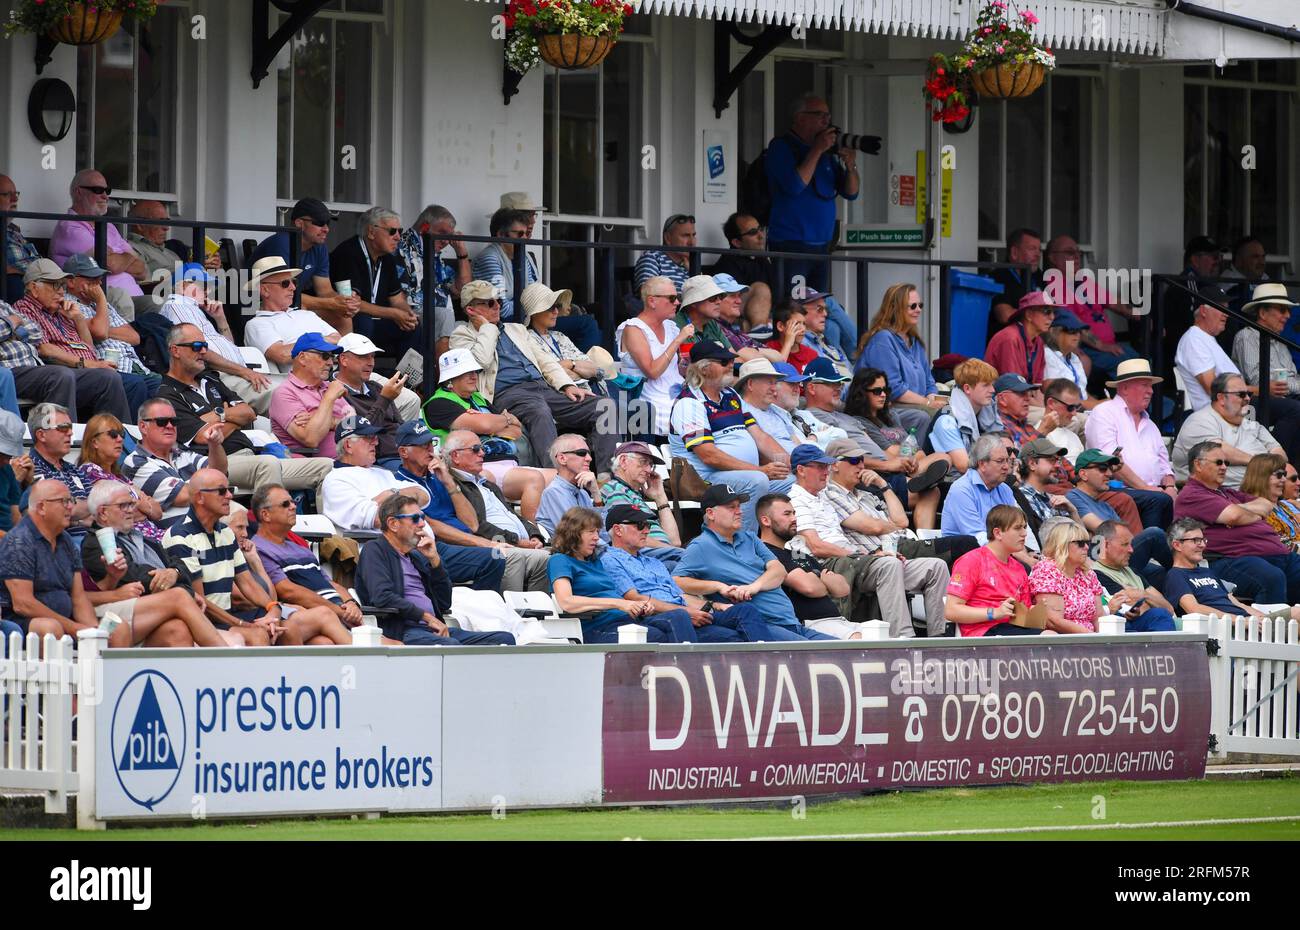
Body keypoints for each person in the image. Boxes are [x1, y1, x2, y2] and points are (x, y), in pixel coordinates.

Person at [787, 444, 949, 636]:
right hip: (833, 563)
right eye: (820, 467)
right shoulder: (796, 500)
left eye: (827, 466)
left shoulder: (823, 495)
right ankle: (903, 638)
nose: (826, 471)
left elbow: (901, 522)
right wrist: (866, 554)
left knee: (935, 567)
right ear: (801, 470)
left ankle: (939, 637)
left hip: (855, 558)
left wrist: (871, 554)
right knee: (889, 564)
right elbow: (815, 546)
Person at [157, 323, 334, 494]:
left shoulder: (210, 380)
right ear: (175, 350)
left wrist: (220, 415)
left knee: (327, 466)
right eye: (196, 346)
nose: (203, 351)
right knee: (267, 465)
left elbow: (249, 413)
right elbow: (206, 437)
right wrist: (234, 419)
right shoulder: (167, 394)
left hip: (251, 455)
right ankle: (272, 521)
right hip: (214, 463)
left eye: (205, 345)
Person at [398, 421, 551, 593]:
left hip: (468, 544)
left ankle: (535, 613)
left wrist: (449, 483)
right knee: (501, 557)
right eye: (422, 445)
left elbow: (472, 524)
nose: (430, 450)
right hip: (438, 547)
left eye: (430, 444)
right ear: (404, 452)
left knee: (549, 558)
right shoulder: (401, 483)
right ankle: (507, 612)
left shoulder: (441, 478)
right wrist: (489, 543)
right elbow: (431, 526)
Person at [672, 484, 835, 640]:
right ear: (711, 513)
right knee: (815, 655)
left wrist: (752, 588)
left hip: (792, 622)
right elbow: (676, 582)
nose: (739, 511)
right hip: (763, 625)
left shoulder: (749, 537)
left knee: (845, 650)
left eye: (739, 506)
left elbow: (778, 571)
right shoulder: (701, 546)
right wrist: (717, 586)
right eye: (731, 507)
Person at [81, 480, 229, 647]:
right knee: (179, 596)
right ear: (103, 513)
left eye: (132, 504)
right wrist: (176, 581)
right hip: (118, 613)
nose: (132, 510)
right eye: (124, 506)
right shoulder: (97, 543)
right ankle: (227, 658)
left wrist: (174, 573)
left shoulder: (143, 538)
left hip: (151, 609)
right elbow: (138, 578)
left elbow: (180, 566)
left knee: (177, 630)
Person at [491, 282, 619, 473]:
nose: (556, 311)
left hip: (550, 389)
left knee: (607, 406)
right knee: (539, 410)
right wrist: (570, 369)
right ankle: (557, 480)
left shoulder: (555, 335)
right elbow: (549, 368)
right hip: (521, 393)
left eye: (557, 306)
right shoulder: (524, 334)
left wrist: (570, 373)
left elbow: (596, 369)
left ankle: (607, 479)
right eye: (550, 307)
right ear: (535, 312)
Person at [355, 493, 515, 646]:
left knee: (504, 639)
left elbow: (444, 603)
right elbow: (382, 596)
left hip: (430, 629)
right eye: (415, 519)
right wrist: (426, 617)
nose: (422, 524)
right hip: (402, 630)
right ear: (393, 524)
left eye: (423, 518)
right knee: (451, 646)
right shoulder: (374, 550)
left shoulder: (416, 557)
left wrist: (435, 561)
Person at [668, 341, 792, 531]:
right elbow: (708, 455)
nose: (730, 365)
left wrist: (792, 465)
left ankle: (783, 547)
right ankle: (742, 546)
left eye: (731, 361)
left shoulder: (731, 395)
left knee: (793, 482)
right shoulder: (690, 403)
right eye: (724, 362)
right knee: (756, 481)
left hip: (743, 475)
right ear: (704, 368)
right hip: (706, 480)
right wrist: (759, 470)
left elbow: (761, 437)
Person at [602, 504, 774, 642]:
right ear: (618, 530)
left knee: (744, 611)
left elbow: (680, 596)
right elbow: (633, 598)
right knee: (682, 619)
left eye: (647, 525)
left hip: (682, 614)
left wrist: (714, 606)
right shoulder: (610, 558)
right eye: (640, 526)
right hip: (653, 617)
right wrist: (685, 612)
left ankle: (769, 666)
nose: (646, 530)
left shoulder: (654, 562)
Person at [421, 348, 548, 517]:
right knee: (534, 478)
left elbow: (516, 430)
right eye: (467, 373)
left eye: (475, 371)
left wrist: (494, 422)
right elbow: (487, 425)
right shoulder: (439, 404)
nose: (474, 376)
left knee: (562, 477)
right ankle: (533, 532)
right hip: (476, 467)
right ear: (450, 380)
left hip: (508, 464)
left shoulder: (479, 399)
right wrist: (495, 422)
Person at [160, 469, 281, 645]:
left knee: (289, 628)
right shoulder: (179, 536)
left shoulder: (226, 532)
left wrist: (273, 610)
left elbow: (247, 583)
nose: (230, 496)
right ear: (200, 498)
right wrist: (244, 625)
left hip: (226, 618)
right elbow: (201, 604)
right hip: (202, 623)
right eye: (222, 491)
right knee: (258, 635)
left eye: (229, 489)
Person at [1173, 439, 1300, 606]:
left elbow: (1266, 505)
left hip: (1275, 554)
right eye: (1219, 462)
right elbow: (1234, 517)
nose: (1224, 467)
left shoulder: (1227, 492)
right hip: (1228, 560)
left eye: (1227, 463)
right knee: (1271, 577)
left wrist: (1239, 509)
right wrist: (1240, 513)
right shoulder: (1192, 494)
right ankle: (1270, 631)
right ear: (1198, 464)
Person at [549, 507, 696, 644]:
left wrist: (641, 607)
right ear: (573, 533)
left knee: (679, 616)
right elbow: (567, 602)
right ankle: (685, 668)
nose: (596, 538)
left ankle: (688, 668)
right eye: (591, 532)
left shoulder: (595, 562)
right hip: (597, 627)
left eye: (597, 532)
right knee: (656, 636)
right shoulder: (560, 560)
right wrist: (619, 603)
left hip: (626, 621)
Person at [764, 93, 863, 295]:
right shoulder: (781, 147)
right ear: (800, 118)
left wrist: (850, 165)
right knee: (795, 305)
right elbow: (795, 185)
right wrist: (817, 150)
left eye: (828, 115)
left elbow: (851, 193)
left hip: (822, 245)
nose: (827, 121)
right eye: (820, 115)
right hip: (791, 244)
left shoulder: (827, 153)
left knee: (817, 305)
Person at [823, 437, 976, 566]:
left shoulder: (865, 494)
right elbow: (873, 527)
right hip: (886, 551)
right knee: (966, 544)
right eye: (854, 460)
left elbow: (902, 521)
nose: (861, 466)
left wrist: (882, 484)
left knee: (967, 550)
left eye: (862, 460)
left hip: (902, 543)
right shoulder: (831, 493)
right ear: (835, 465)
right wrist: (892, 526)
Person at [9, 259, 130, 422]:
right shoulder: (25, 308)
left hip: (77, 369)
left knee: (110, 378)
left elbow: (89, 349)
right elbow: (45, 349)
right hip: (53, 370)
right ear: (33, 288)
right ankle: (66, 436)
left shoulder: (61, 311)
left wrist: (78, 319)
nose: (60, 292)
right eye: (54, 285)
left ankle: (117, 441)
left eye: (62, 286)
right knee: (64, 375)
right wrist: (87, 364)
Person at [250, 483, 367, 633]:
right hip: (315, 618)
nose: (293, 507)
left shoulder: (300, 549)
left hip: (340, 616)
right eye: (285, 504)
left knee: (395, 645)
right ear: (265, 514)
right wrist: (338, 611)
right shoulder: (259, 548)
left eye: (294, 502)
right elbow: (287, 591)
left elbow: (329, 583)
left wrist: (350, 603)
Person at [756, 494, 874, 639]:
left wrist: (816, 580)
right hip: (810, 625)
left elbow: (843, 589)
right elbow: (809, 588)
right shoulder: (766, 553)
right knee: (864, 643)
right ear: (765, 520)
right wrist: (823, 580)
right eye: (787, 514)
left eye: (794, 513)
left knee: (884, 637)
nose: (794, 519)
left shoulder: (798, 555)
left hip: (840, 622)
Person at [160, 263, 274, 411]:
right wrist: (244, 371)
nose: (209, 290)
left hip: (236, 375)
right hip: (221, 377)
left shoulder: (193, 309)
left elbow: (230, 346)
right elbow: (199, 350)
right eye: (203, 285)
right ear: (182, 287)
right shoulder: (178, 304)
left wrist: (220, 318)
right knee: (284, 394)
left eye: (210, 286)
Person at [0, 479, 104, 642]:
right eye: (64, 501)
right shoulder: (18, 541)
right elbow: (23, 604)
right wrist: (73, 627)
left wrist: (92, 631)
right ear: (42, 507)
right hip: (23, 623)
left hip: (65, 620)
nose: (71, 507)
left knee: (116, 630)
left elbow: (78, 597)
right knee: (50, 629)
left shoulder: (66, 540)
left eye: (71, 501)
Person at [60, 253, 158, 416]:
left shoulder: (102, 306)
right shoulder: (68, 304)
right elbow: (99, 332)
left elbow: (134, 337)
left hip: (135, 366)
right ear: (71, 281)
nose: (98, 284)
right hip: (109, 368)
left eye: (99, 278)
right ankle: (131, 438)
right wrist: (100, 302)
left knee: (162, 386)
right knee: (137, 385)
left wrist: (102, 325)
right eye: (91, 279)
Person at [1084, 358, 1176, 529]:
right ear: (1124, 388)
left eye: (1151, 386)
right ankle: (1151, 551)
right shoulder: (1104, 413)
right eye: (1144, 385)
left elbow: (1164, 464)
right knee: (1158, 500)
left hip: (1153, 492)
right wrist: (1145, 488)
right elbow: (1109, 460)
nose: (1151, 391)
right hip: (1114, 490)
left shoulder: (1151, 425)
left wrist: (1170, 486)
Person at [944, 505, 1052, 637]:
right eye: (1018, 528)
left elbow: (1022, 617)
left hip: (1011, 629)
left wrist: (1035, 612)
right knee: (1049, 637)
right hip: (983, 633)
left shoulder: (1019, 567)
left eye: (1024, 527)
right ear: (998, 533)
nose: (1024, 533)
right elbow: (951, 610)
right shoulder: (971, 561)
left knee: (1052, 636)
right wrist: (994, 612)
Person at [1067, 448, 1170, 586]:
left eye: (1110, 469)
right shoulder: (1073, 496)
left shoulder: (1105, 506)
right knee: (1153, 534)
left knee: (1160, 573)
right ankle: (1186, 571)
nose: (1109, 474)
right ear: (1083, 474)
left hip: (1114, 553)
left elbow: (1124, 537)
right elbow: (1102, 529)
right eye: (1103, 468)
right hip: (1097, 557)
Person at [1041, 234, 1138, 380]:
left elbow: (1116, 303)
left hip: (1109, 346)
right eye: (1069, 252)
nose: (1076, 256)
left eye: (1078, 252)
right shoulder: (1053, 285)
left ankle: (1155, 401)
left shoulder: (1084, 281)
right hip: (1086, 349)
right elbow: (1073, 324)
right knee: (1127, 365)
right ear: (1053, 258)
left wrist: (1144, 317)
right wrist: (1100, 344)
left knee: (1141, 361)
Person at [330, 207, 420, 358]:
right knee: (363, 321)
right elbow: (351, 303)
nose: (398, 237)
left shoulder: (387, 258)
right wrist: (393, 313)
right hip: (349, 319)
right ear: (371, 232)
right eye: (392, 231)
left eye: (400, 231)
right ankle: (362, 377)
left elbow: (397, 299)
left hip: (377, 320)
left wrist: (406, 314)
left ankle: (408, 379)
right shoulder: (348, 253)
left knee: (413, 326)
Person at [249, 197, 360, 319]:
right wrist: (333, 303)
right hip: (255, 305)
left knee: (342, 317)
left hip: (289, 303)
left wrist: (346, 302)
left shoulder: (319, 247)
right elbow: (282, 293)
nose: (326, 229)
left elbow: (325, 291)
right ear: (299, 224)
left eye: (327, 223)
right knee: (300, 309)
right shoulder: (281, 243)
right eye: (319, 223)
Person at [123, 398, 227, 525]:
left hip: (206, 524)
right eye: (162, 422)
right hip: (180, 533)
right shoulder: (136, 462)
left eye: (174, 421)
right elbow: (183, 496)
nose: (170, 426)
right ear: (143, 427)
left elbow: (219, 474)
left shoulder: (182, 454)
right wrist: (211, 484)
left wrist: (215, 445)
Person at [1171, 373, 1284, 488]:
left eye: (1248, 394)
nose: (1248, 398)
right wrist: (1261, 463)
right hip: (1215, 496)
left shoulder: (1252, 425)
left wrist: (1269, 465)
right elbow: (1219, 452)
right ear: (1221, 398)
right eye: (1241, 394)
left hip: (1257, 493)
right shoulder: (1199, 421)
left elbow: (1280, 454)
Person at [859, 282, 945, 432]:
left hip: (916, 405)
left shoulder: (915, 341)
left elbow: (929, 382)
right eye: (912, 306)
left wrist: (932, 398)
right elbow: (893, 389)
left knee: (948, 412)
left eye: (920, 305)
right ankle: (924, 456)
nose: (918, 310)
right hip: (885, 408)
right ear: (896, 309)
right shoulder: (883, 340)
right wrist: (928, 403)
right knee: (929, 416)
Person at [443, 429, 546, 548]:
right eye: (476, 449)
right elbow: (478, 527)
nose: (482, 453)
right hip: (499, 550)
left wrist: (535, 535)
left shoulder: (487, 484)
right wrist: (516, 541)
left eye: (482, 448)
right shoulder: (454, 486)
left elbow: (513, 515)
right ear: (456, 456)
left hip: (522, 546)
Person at [49, 169, 146, 297]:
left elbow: (141, 270)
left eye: (107, 191)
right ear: (79, 192)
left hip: (134, 298)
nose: (105, 196)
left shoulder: (109, 226)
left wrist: (117, 258)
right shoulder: (70, 228)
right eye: (98, 190)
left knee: (170, 304)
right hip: (100, 300)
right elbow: (112, 265)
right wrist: (129, 255)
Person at [616, 276, 690, 435]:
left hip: (678, 390)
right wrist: (678, 340)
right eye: (672, 298)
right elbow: (652, 371)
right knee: (689, 419)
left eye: (677, 298)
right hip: (648, 398)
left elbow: (674, 370)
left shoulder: (671, 326)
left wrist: (688, 365)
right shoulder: (633, 329)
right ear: (651, 301)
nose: (677, 302)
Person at [395, 204, 472, 357]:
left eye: (448, 236)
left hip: (440, 317)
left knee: (467, 327)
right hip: (411, 312)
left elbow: (463, 290)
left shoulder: (434, 253)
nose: (445, 241)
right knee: (443, 316)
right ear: (424, 227)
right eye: (442, 233)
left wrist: (462, 254)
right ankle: (442, 379)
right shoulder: (402, 247)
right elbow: (400, 295)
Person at [242, 256, 339, 373]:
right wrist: (321, 340)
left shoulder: (306, 314)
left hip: (338, 373)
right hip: (306, 385)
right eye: (285, 283)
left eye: (294, 282)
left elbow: (338, 339)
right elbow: (281, 354)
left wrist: (310, 343)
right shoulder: (258, 324)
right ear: (264, 290)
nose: (293, 288)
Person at [78, 412, 165, 541]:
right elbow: (116, 514)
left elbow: (158, 512)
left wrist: (134, 504)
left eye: (121, 435)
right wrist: (144, 504)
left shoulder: (120, 477)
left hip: (153, 538)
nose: (120, 439)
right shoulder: (90, 470)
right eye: (113, 434)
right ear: (94, 442)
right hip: (132, 541)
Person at [268, 333, 353, 459]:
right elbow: (311, 438)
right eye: (324, 356)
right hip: (320, 468)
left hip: (353, 461)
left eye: (331, 356)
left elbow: (356, 426)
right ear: (302, 358)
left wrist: (331, 422)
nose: (330, 363)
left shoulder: (331, 387)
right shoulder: (284, 393)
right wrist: (329, 398)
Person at [334, 331, 411, 467]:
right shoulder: (334, 391)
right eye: (363, 357)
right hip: (380, 460)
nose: (371, 363)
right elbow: (361, 433)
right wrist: (385, 399)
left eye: (372, 357)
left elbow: (399, 423)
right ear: (343, 359)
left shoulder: (375, 387)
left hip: (402, 453)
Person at [1090, 520, 1178, 632]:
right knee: (1158, 614)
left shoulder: (1133, 572)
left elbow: (1169, 609)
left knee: (1161, 614)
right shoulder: (1096, 574)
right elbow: (1134, 608)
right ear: (1106, 545)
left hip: (1140, 626)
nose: (1131, 550)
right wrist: (1149, 600)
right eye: (1125, 544)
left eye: (1131, 544)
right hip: (1120, 629)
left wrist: (1143, 595)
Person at [1175, 287, 1252, 411]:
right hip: (1221, 411)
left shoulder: (1206, 337)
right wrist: (1262, 390)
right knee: (1292, 411)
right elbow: (1213, 388)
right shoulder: (1194, 339)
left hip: (1236, 405)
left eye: (1226, 309)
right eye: (1221, 308)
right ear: (1203, 311)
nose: (1226, 314)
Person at [1162, 517, 1257, 619]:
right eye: (1196, 540)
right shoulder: (1175, 576)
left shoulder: (1207, 572)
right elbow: (1194, 609)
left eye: (1203, 540)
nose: (1202, 545)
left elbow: (1237, 604)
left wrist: (1262, 617)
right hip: (1225, 628)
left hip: (1247, 622)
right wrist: (1240, 621)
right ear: (1177, 545)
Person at [600, 441, 682, 554]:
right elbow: (630, 537)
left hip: (662, 555)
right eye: (643, 462)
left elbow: (675, 541)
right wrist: (675, 551)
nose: (649, 470)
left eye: (651, 465)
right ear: (623, 461)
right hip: (647, 556)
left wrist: (660, 498)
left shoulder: (633, 494)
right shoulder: (615, 489)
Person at [939, 432, 1024, 539]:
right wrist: (1019, 553)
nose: (1006, 466)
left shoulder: (1005, 489)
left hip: (999, 550)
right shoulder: (962, 490)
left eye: (1007, 461)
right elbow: (977, 538)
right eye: (1000, 461)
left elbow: (1018, 528)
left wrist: (1027, 553)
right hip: (966, 552)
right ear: (982, 464)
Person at [926, 358, 1002, 474]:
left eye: (992, 385)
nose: (992, 390)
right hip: (948, 485)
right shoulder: (946, 419)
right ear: (967, 388)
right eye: (986, 385)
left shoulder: (987, 414)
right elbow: (963, 466)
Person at [1027, 520, 1105, 633]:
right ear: (1062, 544)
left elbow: (1099, 617)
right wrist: (1090, 636)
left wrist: (1104, 641)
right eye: (1080, 543)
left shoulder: (1087, 573)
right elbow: (1054, 621)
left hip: (1090, 639)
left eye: (1087, 542)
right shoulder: (1047, 570)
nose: (1087, 547)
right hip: (1061, 639)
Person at [1231, 282, 1300, 408]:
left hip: (1288, 400)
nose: (1288, 315)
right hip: (1260, 404)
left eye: (1288, 310)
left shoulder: (1279, 340)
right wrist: (1294, 385)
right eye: (1282, 310)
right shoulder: (1246, 337)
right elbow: (1259, 381)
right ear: (1262, 313)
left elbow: (1291, 376)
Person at [1161, 236, 1221, 377]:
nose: (1216, 261)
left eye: (1218, 256)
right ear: (1195, 259)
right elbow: (1192, 323)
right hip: (1187, 359)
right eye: (1212, 256)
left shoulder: (1204, 282)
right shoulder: (1188, 282)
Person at [24, 402, 92, 525]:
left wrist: (74, 510)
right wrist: (85, 513)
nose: (70, 433)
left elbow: (98, 507)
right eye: (63, 428)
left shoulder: (74, 469)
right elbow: (50, 512)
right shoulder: (30, 468)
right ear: (41, 435)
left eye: (70, 427)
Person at [472, 208, 537, 322]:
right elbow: (502, 309)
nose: (525, 238)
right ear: (501, 234)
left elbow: (536, 295)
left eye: (526, 233)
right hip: (501, 323)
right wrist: (529, 305)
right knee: (579, 324)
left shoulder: (523, 257)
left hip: (525, 318)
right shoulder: (490, 258)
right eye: (520, 234)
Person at [714, 213, 776, 329]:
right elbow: (732, 301)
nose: (761, 235)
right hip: (736, 316)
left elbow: (776, 292)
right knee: (760, 288)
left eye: (760, 229)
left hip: (759, 319)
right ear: (737, 242)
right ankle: (760, 331)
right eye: (753, 232)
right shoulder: (728, 262)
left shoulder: (762, 259)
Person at [536, 434, 606, 536]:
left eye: (589, 453)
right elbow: (578, 536)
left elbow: (603, 534)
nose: (589, 458)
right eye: (582, 453)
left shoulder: (583, 493)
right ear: (562, 458)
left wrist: (596, 494)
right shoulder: (554, 492)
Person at [986, 227, 1043, 344]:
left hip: (1038, 341)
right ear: (1014, 253)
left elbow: (1056, 311)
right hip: (1009, 343)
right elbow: (1005, 315)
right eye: (1032, 249)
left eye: (1039, 250)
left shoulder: (1039, 276)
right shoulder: (999, 276)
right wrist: (1041, 317)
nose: (1038, 255)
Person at [985, 290, 1056, 383]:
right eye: (1047, 311)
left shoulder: (1038, 342)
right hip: (997, 395)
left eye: (1053, 312)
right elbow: (1011, 385)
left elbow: (1037, 383)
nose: (1052, 317)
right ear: (1028, 315)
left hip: (1022, 394)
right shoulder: (1010, 338)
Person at [736, 358, 802, 453]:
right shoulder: (740, 412)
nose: (774, 388)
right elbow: (760, 455)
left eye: (775, 383)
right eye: (769, 382)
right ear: (750, 384)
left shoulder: (778, 411)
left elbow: (796, 443)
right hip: (783, 465)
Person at [1243, 455, 1300, 552]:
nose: (1284, 479)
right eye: (1279, 475)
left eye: (1284, 475)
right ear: (1261, 477)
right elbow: (1279, 544)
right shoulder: (1254, 510)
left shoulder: (1284, 506)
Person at [796, 290, 851, 379]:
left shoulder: (828, 345)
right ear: (800, 312)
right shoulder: (799, 344)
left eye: (826, 309)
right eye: (819, 309)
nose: (825, 314)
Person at [633, 214, 695, 293]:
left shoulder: (690, 262)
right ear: (668, 238)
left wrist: (692, 270)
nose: (692, 242)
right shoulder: (652, 258)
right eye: (685, 235)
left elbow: (705, 295)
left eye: (693, 235)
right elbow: (647, 294)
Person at [1042, 309, 1094, 403]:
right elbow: (1057, 398)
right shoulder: (1047, 355)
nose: (1077, 335)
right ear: (1055, 332)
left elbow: (1084, 395)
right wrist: (1097, 405)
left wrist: (1103, 404)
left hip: (1079, 411)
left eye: (1079, 331)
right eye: (1072, 330)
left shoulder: (1074, 358)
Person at [2, 174, 41, 283]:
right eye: (7, 194)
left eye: (16, 194)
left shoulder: (14, 230)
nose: (15, 199)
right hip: (26, 293)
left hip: (45, 286)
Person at [762, 301, 816, 370]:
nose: (803, 329)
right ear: (780, 326)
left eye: (804, 324)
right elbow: (777, 373)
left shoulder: (811, 355)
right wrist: (788, 343)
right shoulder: (769, 349)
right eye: (796, 324)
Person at [0, 410, 26, 534]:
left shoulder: (7, 470)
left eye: (9, 455)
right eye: (2, 454)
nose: (6, 460)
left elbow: (15, 512)